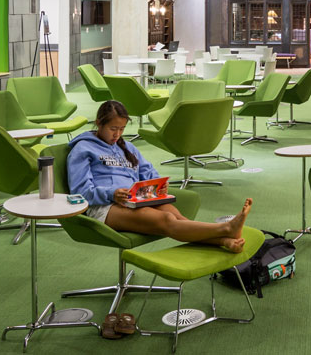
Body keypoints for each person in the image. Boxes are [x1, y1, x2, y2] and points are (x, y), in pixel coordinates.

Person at [67, 100, 251, 251]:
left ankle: (224, 241)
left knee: (179, 219)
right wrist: (112, 193)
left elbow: (147, 171)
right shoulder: (82, 148)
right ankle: (226, 228)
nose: (117, 134)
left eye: (122, 129)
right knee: (167, 221)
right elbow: (80, 192)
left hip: (134, 197)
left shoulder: (127, 147)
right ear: (99, 123)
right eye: (113, 128)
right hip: (105, 206)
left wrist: (155, 186)